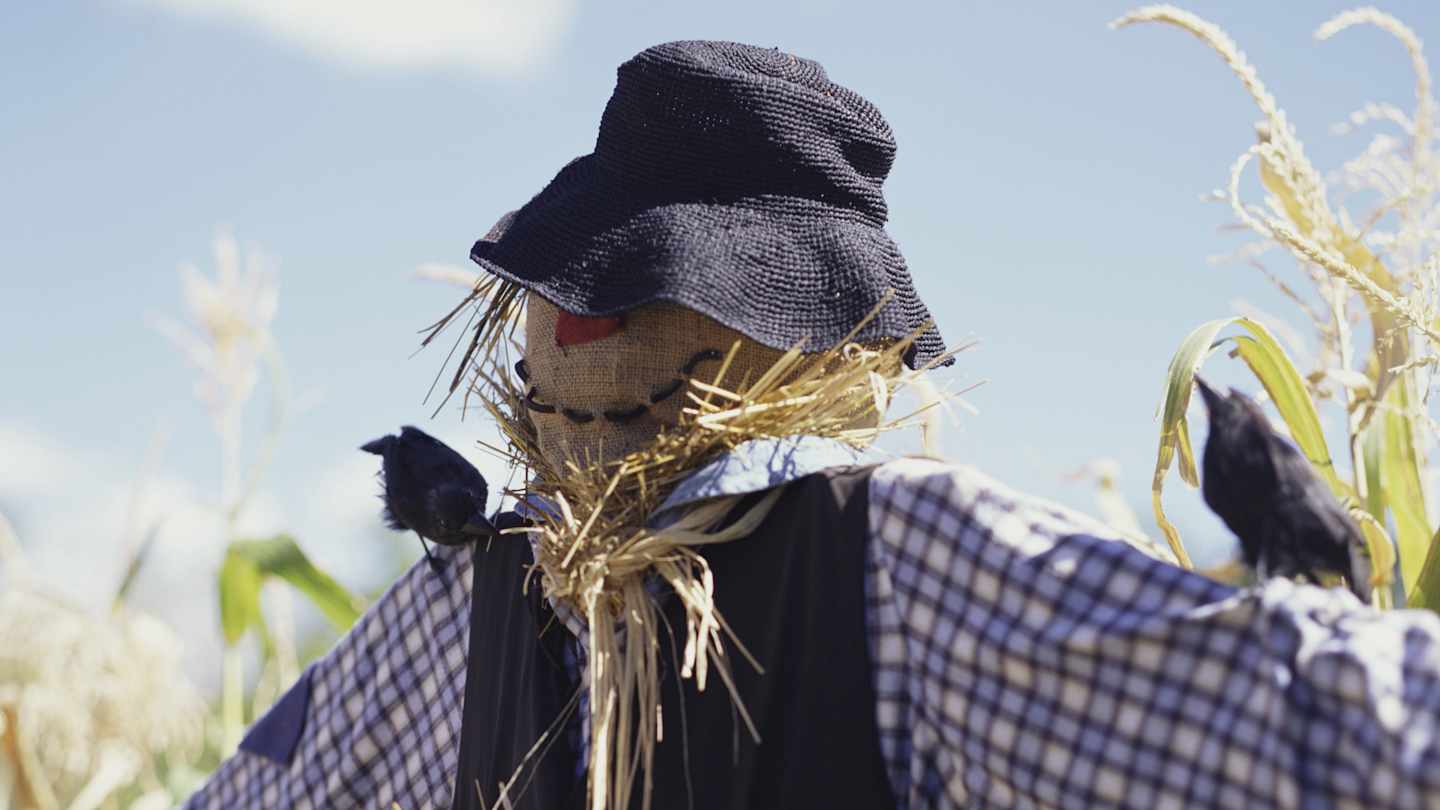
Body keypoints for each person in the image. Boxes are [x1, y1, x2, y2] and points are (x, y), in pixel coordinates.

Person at [186, 40, 1440, 810]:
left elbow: (1329, 724)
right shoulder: (474, 597)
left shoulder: (896, 559)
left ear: (799, 346)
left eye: (647, 283)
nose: (583, 326)